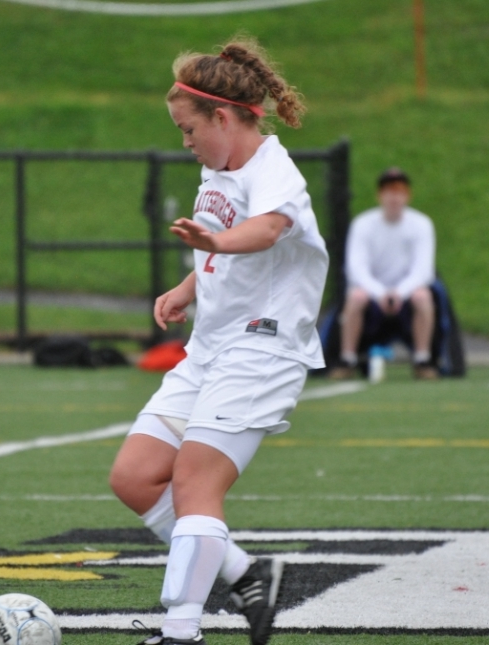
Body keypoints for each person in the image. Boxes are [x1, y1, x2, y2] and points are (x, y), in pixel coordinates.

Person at [109, 38, 328, 645]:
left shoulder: (274, 169)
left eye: (188, 129)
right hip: (210, 348)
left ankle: (181, 632)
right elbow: (224, 243)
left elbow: (266, 229)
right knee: (133, 477)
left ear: (224, 119)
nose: (186, 142)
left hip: (264, 349)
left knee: (194, 484)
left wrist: (213, 247)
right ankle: (244, 572)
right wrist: (187, 287)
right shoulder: (218, 168)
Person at [330, 168, 438, 380]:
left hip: (406, 296)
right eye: (389, 190)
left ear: (407, 195)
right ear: (380, 195)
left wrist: (399, 293)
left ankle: (422, 360)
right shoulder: (362, 224)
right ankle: (347, 359)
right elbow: (356, 269)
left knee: (423, 297)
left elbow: (423, 271)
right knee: (355, 297)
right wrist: (381, 294)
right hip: (372, 296)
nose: (394, 196)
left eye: (399, 190)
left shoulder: (422, 224)